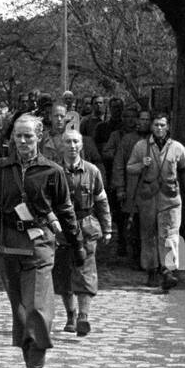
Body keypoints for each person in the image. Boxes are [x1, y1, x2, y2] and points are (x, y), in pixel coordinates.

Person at [0, 114, 83, 368]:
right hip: (9, 246)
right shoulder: (0, 169)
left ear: (39, 136)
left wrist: (75, 244)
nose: (24, 141)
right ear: (12, 138)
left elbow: (65, 210)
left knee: (38, 307)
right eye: (18, 136)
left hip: (40, 245)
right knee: (21, 311)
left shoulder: (52, 171)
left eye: (29, 136)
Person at [126, 112, 185, 290]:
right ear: (151, 127)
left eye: (162, 125)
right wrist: (142, 164)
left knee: (170, 235)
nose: (159, 128)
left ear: (168, 127)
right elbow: (130, 168)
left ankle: (167, 271)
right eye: (156, 125)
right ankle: (151, 270)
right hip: (148, 197)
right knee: (149, 235)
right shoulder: (141, 147)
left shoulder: (177, 148)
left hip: (170, 197)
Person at [53, 129, 111, 336]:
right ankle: (71, 314)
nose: (72, 146)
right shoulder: (54, 172)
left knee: (85, 271)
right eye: (67, 142)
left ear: (81, 145)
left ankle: (83, 317)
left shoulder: (92, 171)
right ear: (62, 145)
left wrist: (107, 227)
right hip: (62, 228)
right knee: (64, 275)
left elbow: (101, 200)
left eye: (75, 142)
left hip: (86, 226)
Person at [103, 106, 145, 261]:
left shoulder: (145, 137)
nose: (130, 120)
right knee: (122, 216)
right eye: (126, 116)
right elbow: (108, 154)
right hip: (123, 179)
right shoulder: (118, 135)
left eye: (134, 116)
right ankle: (123, 242)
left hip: (139, 181)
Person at [41, 101, 103, 168]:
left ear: (67, 118)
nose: (59, 119)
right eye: (56, 116)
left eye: (62, 116)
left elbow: (98, 164)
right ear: (50, 117)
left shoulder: (83, 140)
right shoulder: (41, 139)